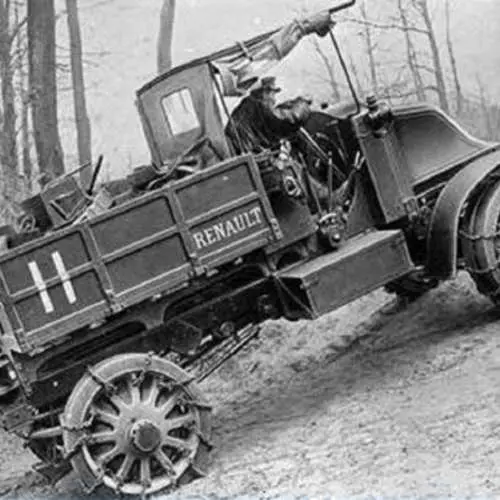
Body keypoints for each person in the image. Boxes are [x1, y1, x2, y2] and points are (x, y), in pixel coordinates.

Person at [225, 76, 311, 155]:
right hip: (237, 145)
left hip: (236, 145)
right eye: (272, 92)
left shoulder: (255, 106)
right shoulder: (256, 107)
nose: (273, 98)